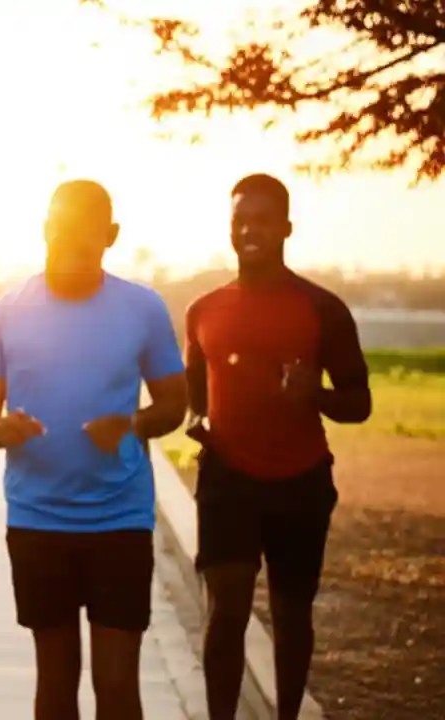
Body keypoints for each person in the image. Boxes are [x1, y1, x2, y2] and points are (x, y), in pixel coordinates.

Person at [0, 180, 188, 720]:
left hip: (119, 518)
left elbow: (173, 407)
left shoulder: (143, 308)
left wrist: (131, 424)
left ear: (110, 237)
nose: (68, 253)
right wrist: (5, 429)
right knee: (56, 676)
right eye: (59, 237)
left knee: (116, 685)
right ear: (44, 230)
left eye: (84, 243)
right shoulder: (6, 311)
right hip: (37, 517)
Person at [186, 174, 371, 720]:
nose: (249, 230)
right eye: (240, 219)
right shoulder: (203, 310)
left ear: (286, 228)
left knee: (292, 616)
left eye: (261, 220)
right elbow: (198, 396)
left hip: (301, 481)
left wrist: (313, 394)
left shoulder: (323, 308)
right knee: (226, 613)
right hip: (228, 481)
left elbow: (359, 403)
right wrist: (198, 421)